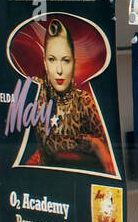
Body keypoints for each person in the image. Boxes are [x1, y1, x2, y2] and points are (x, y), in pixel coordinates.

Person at [25, 18, 117, 175]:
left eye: (65, 60)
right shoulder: (38, 91)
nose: (59, 70)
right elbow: (49, 143)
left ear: (74, 63)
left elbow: (107, 149)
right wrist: (92, 143)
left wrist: (97, 145)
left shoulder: (85, 101)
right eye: (52, 60)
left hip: (82, 181)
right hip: (46, 182)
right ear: (45, 63)